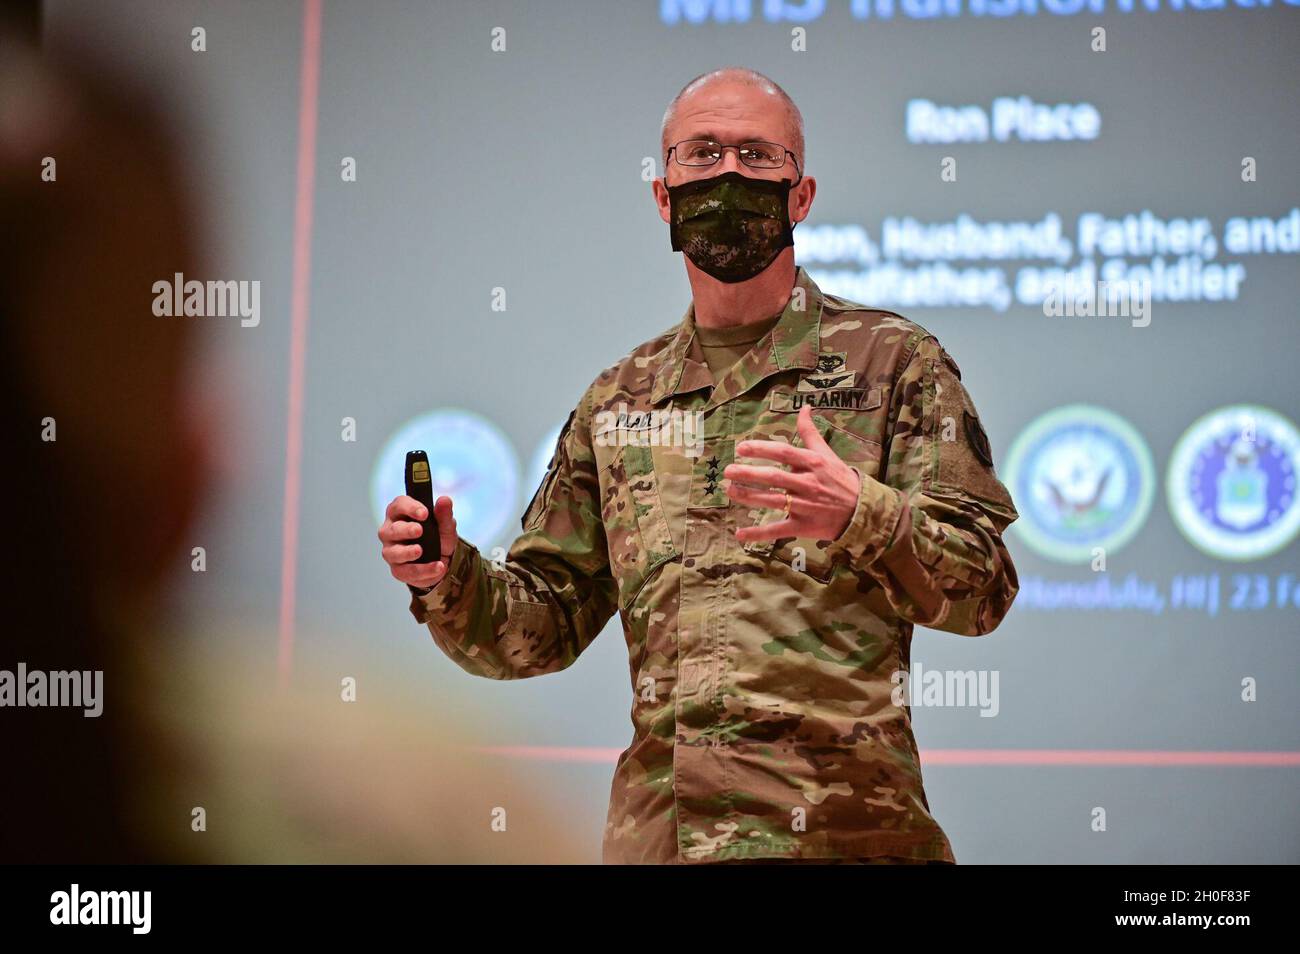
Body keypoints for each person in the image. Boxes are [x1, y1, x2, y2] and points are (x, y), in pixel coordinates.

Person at [379, 67, 1020, 864]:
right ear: (662, 194)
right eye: (703, 154)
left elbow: (983, 589)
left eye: (757, 157)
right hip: (664, 843)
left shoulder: (893, 365)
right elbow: (541, 628)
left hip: (845, 843)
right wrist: (447, 579)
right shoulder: (619, 401)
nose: (727, 176)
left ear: (801, 195)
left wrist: (862, 514)